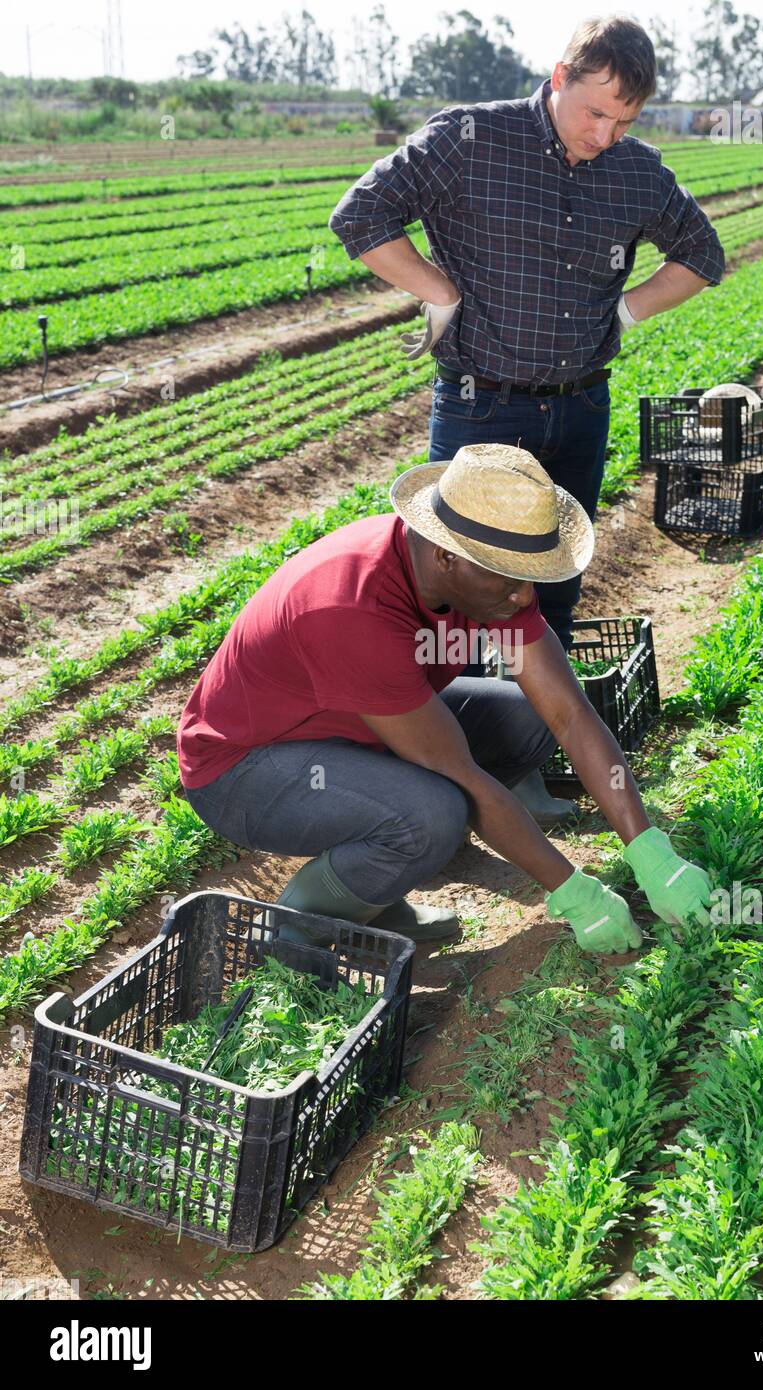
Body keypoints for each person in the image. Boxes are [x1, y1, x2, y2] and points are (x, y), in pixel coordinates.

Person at [328, 15, 725, 827]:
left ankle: (525, 768)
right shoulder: (471, 140)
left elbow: (701, 255)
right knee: (462, 596)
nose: (606, 135)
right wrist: (438, 290)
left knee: (550, 593)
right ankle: (447, 780)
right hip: (481, 407)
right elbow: (360, 218)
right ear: (558, 77)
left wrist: (627, 311)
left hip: (579, 407)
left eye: (624, 121)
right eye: (595, 113)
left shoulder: (635, 172)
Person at [178, 443, 712, 949]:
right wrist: (574, 892)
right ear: (445, 556)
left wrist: (651, 851)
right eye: (509, 580)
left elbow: (569, 713)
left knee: (529, 719)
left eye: (529, 579)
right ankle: (304, 927)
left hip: (353, 731)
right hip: (245, 768)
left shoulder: (493, 569)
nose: (526, 597)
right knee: (433, 814)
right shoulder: (352, 607)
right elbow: (459, 771)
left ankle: (378, 878)